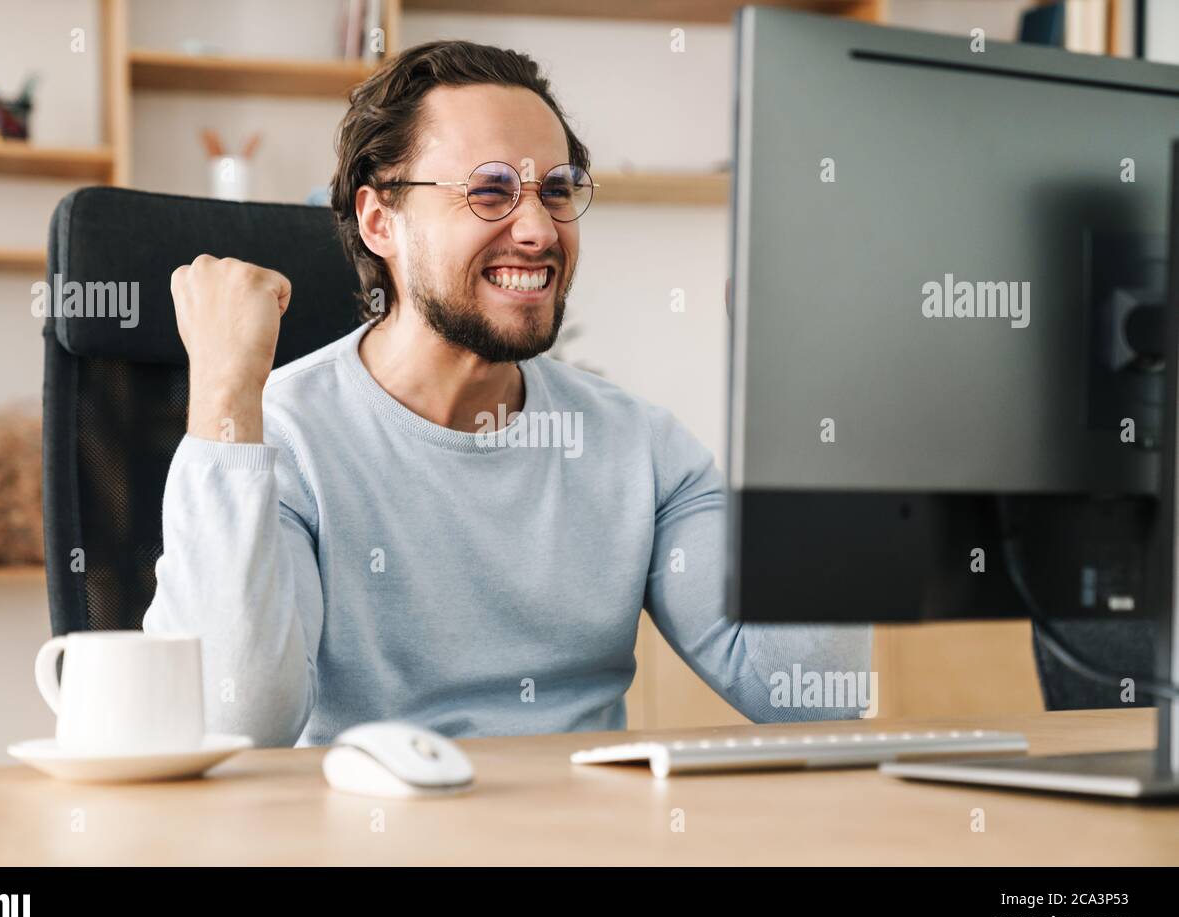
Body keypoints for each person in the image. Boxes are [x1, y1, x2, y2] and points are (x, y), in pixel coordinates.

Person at [143, 40, 871, 747]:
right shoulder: (279, 438)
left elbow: (809, 696)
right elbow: (238, 726)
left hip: (587, 821)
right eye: (490, 191)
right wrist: (224, 389)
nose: (538, 230)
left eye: (557, 190)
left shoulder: (638, 445)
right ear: (380, 220)